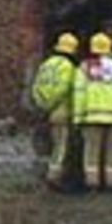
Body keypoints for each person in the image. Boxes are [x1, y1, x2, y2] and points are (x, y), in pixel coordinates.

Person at [74, 33, 112, 190]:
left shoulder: (85, 68)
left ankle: (93, 184)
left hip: (92, 117)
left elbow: (79, 93)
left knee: (91, 151)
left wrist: (78, 118)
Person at [32, 32, 79, 188]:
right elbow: (64, 88)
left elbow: (36, 85)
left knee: (55, 142)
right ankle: (55, 177)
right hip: (61, 111)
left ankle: (56, 174)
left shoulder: (46, 64)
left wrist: (43, 104)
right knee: (61, 146)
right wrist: (53, 104)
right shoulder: (68, 67)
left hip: (48, 111)